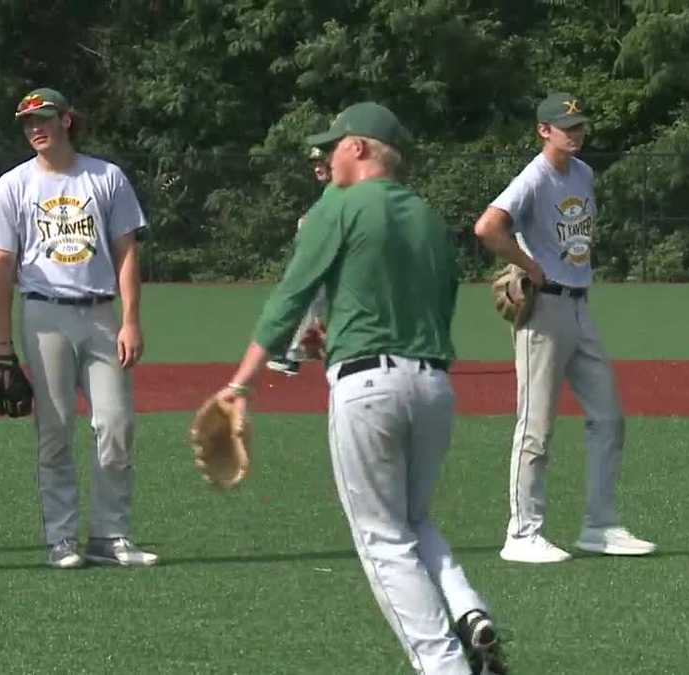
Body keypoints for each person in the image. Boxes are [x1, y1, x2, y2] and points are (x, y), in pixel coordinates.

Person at [216, 102, 507, 674]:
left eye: (333, 145)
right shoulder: (427, 217)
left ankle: (445, 667)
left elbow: (290, 299)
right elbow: (432, 306)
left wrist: (240, 383)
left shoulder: (340, 206)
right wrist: (343, 335)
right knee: (414, 521)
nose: (326, 156)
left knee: (383, 541)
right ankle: (469, 610)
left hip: (368, 388)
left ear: (360, 148)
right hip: (432, 387)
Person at [0, 87, 157, 569]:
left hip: (99, 314)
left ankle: (109, 536)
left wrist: (131, 320)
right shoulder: (13, 185)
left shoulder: (105, 177)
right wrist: (1, 346)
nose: (35, 128)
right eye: (28, 122)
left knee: (116, 426)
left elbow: (126, 252)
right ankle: (61, 539)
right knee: (54, 431)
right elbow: (1, 267)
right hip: (44, 313)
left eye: (44, 118)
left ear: (67, 120)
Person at [473, 93, 656, 564]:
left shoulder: (583, 174)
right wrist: (526, 266)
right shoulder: (533, 178)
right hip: (545, 311)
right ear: (543, 131)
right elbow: (487, 227)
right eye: (565, 126)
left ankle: (599, 525)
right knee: (536, 426)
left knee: (609, 417)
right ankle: (522, 533)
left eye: (578, 125)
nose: (574, 132)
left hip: (579, 307)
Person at [266, 146, 331, 376]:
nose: (317, 167)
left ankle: (292, 355)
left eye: (321, 162)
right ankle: (296, 352)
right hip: (329, 261)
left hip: (333, 262)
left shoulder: (342, 190)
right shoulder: (331, 192)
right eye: (314, 163)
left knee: (311, 301)